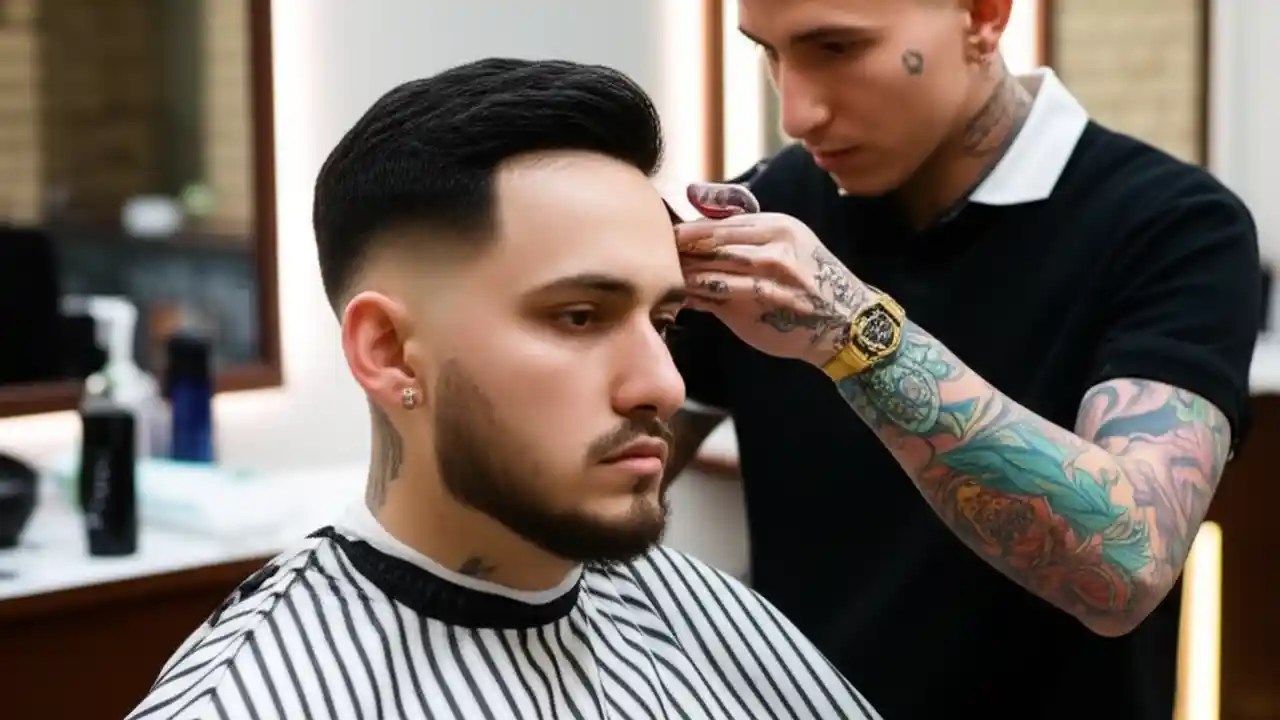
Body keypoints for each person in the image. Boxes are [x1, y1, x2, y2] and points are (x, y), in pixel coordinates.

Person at [124, 58, 880, 720]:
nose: (662, 382)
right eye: (579, 316)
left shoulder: (702, 618)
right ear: (389, 353)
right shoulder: (243, 698)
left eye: (665, 323)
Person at [665, 1, 1261, 719]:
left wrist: (853, 329)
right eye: (770, 53)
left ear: (982, 15)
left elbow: (1128, 563)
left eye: (837, 48)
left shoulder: (1174, 227)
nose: (796, 113)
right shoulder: (774, 214)